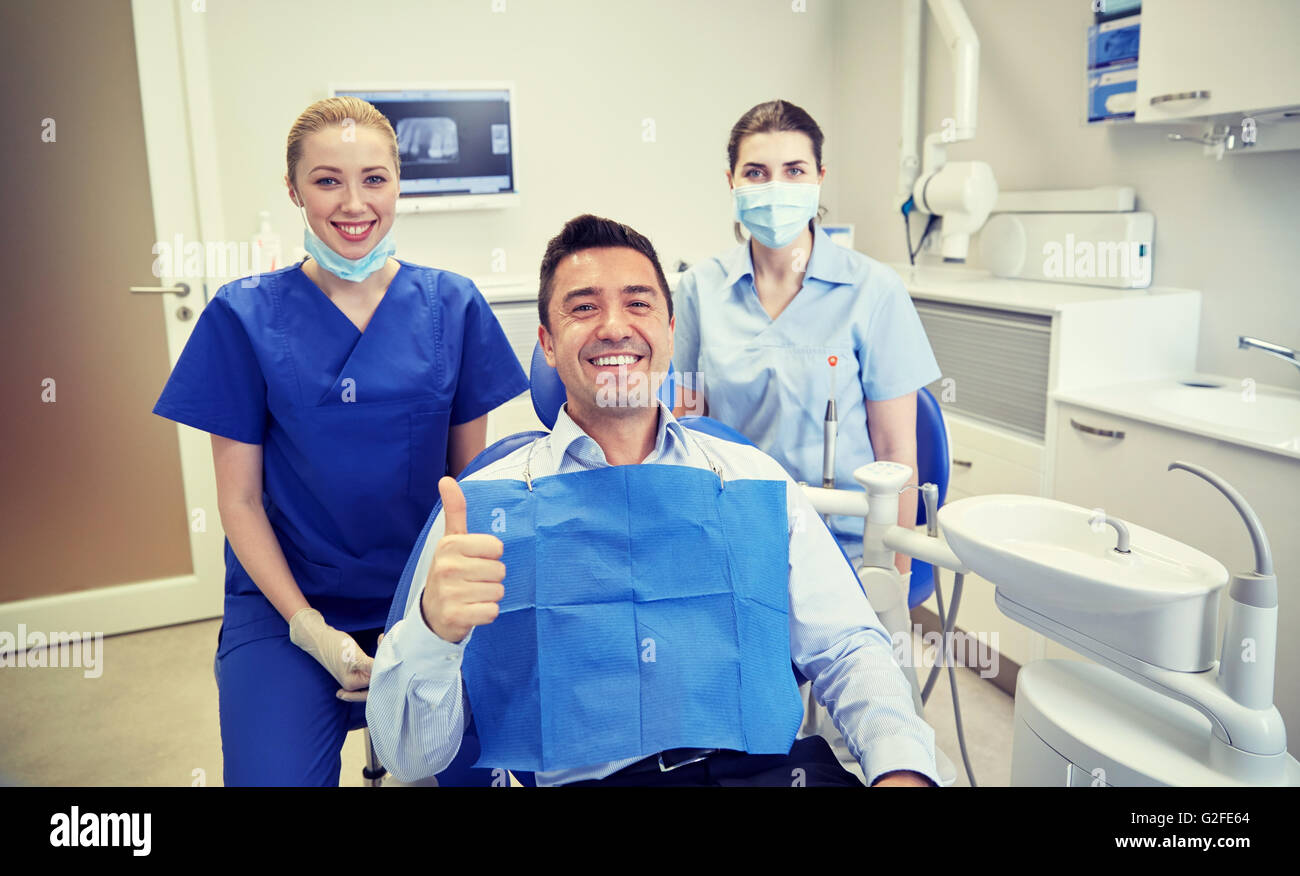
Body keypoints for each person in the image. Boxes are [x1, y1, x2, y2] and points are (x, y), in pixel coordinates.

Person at [367, 214, 939, 787]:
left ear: (668, 329)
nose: (615, 326)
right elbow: (412, 757)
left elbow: (848, 647)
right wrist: (431, 633)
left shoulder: (752, 482)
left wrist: (901, 768)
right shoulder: (486, 511)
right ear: (545, 342)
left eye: (638, 304)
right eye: (583, 307)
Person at [152, 97, 529, 786]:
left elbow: (465, 491)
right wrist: (309, 627)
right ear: (293, 190)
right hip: (288, 606)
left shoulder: (453, 306)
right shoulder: (243, 316)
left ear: (398, 185)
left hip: (424, 598)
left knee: (493, 768)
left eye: (374, 178)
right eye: (327, 180)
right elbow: (238, 502)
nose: (353, 203)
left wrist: (429, 621)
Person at [671, 99, 942, 576]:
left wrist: (892, 576)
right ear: (731, 182)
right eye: (755, 172)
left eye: (794, 170)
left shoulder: (873, 290)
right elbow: (690, 429)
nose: (775, 187)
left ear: (819, 177)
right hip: (738, 535)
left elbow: (897, 452)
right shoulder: (700, 289)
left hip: (852, 546)